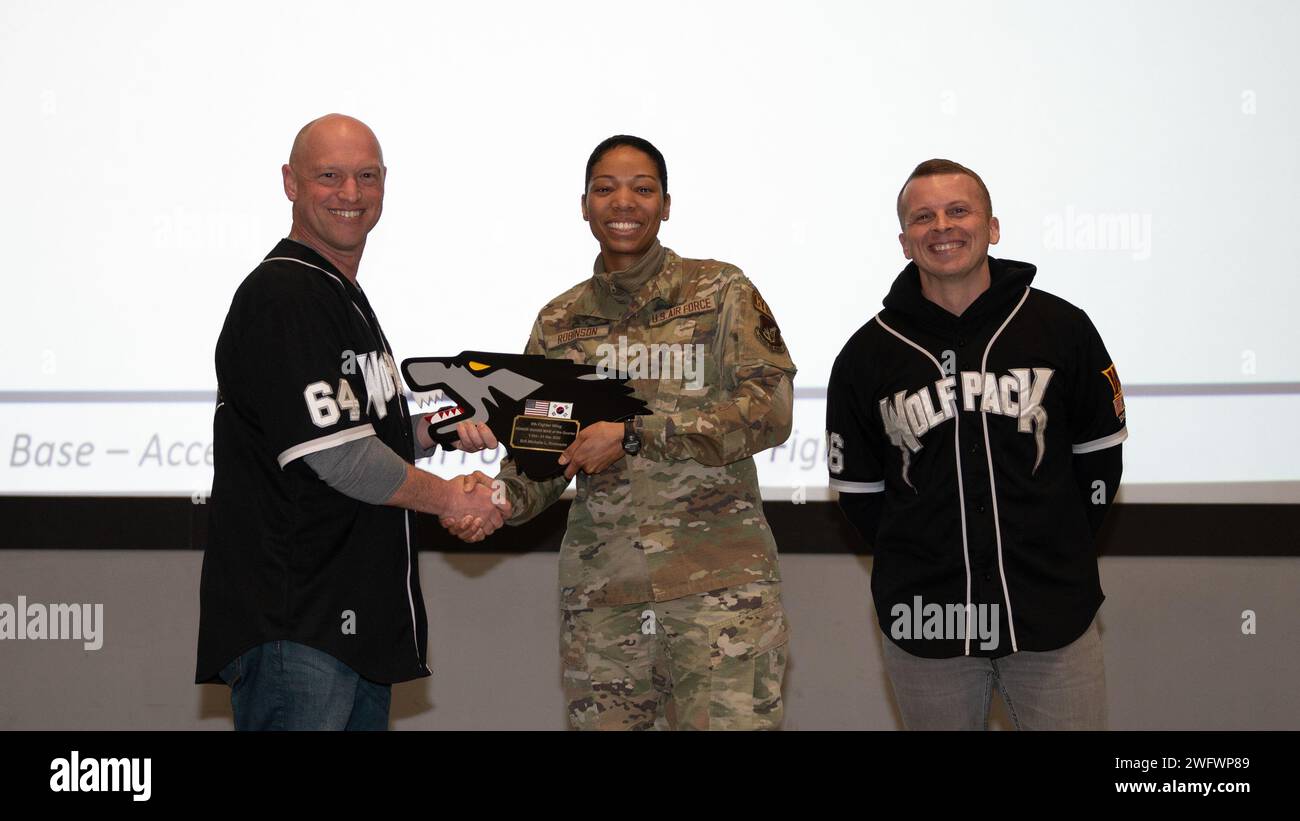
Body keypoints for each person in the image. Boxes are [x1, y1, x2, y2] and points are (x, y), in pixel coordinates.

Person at [446, 135, 796, 730]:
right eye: (605, 189)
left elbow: (771, 410)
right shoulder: (559, 322)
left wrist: (636, 434)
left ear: (666, 204)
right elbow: (541, 455)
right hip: (605, 601)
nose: (623, 202)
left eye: (642, 188)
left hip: (719, 593)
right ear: (584, 206)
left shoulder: (720, 290)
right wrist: (497, 499)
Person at [195, 114, 508, 731]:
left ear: (384, 186)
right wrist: (450, 498)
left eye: (367, 176)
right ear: (290, 182)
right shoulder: (285, 295)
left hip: (347, 625)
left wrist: (439, 428)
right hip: (300, 625)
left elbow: (356, 427)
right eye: (329, 176)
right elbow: (340, 456)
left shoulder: (340, 296)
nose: (351, 194)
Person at [826, 159, 1127, 730]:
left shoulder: (1062, 327)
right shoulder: (866, 354)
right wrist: (925, 556)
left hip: (1052, 617)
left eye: (958, 211)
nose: (942, 226)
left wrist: (1053, 549)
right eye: (924, 217)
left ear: (992, 227)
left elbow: (1099, 460)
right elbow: (863, 499)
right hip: (926, 624)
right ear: (904, 240)